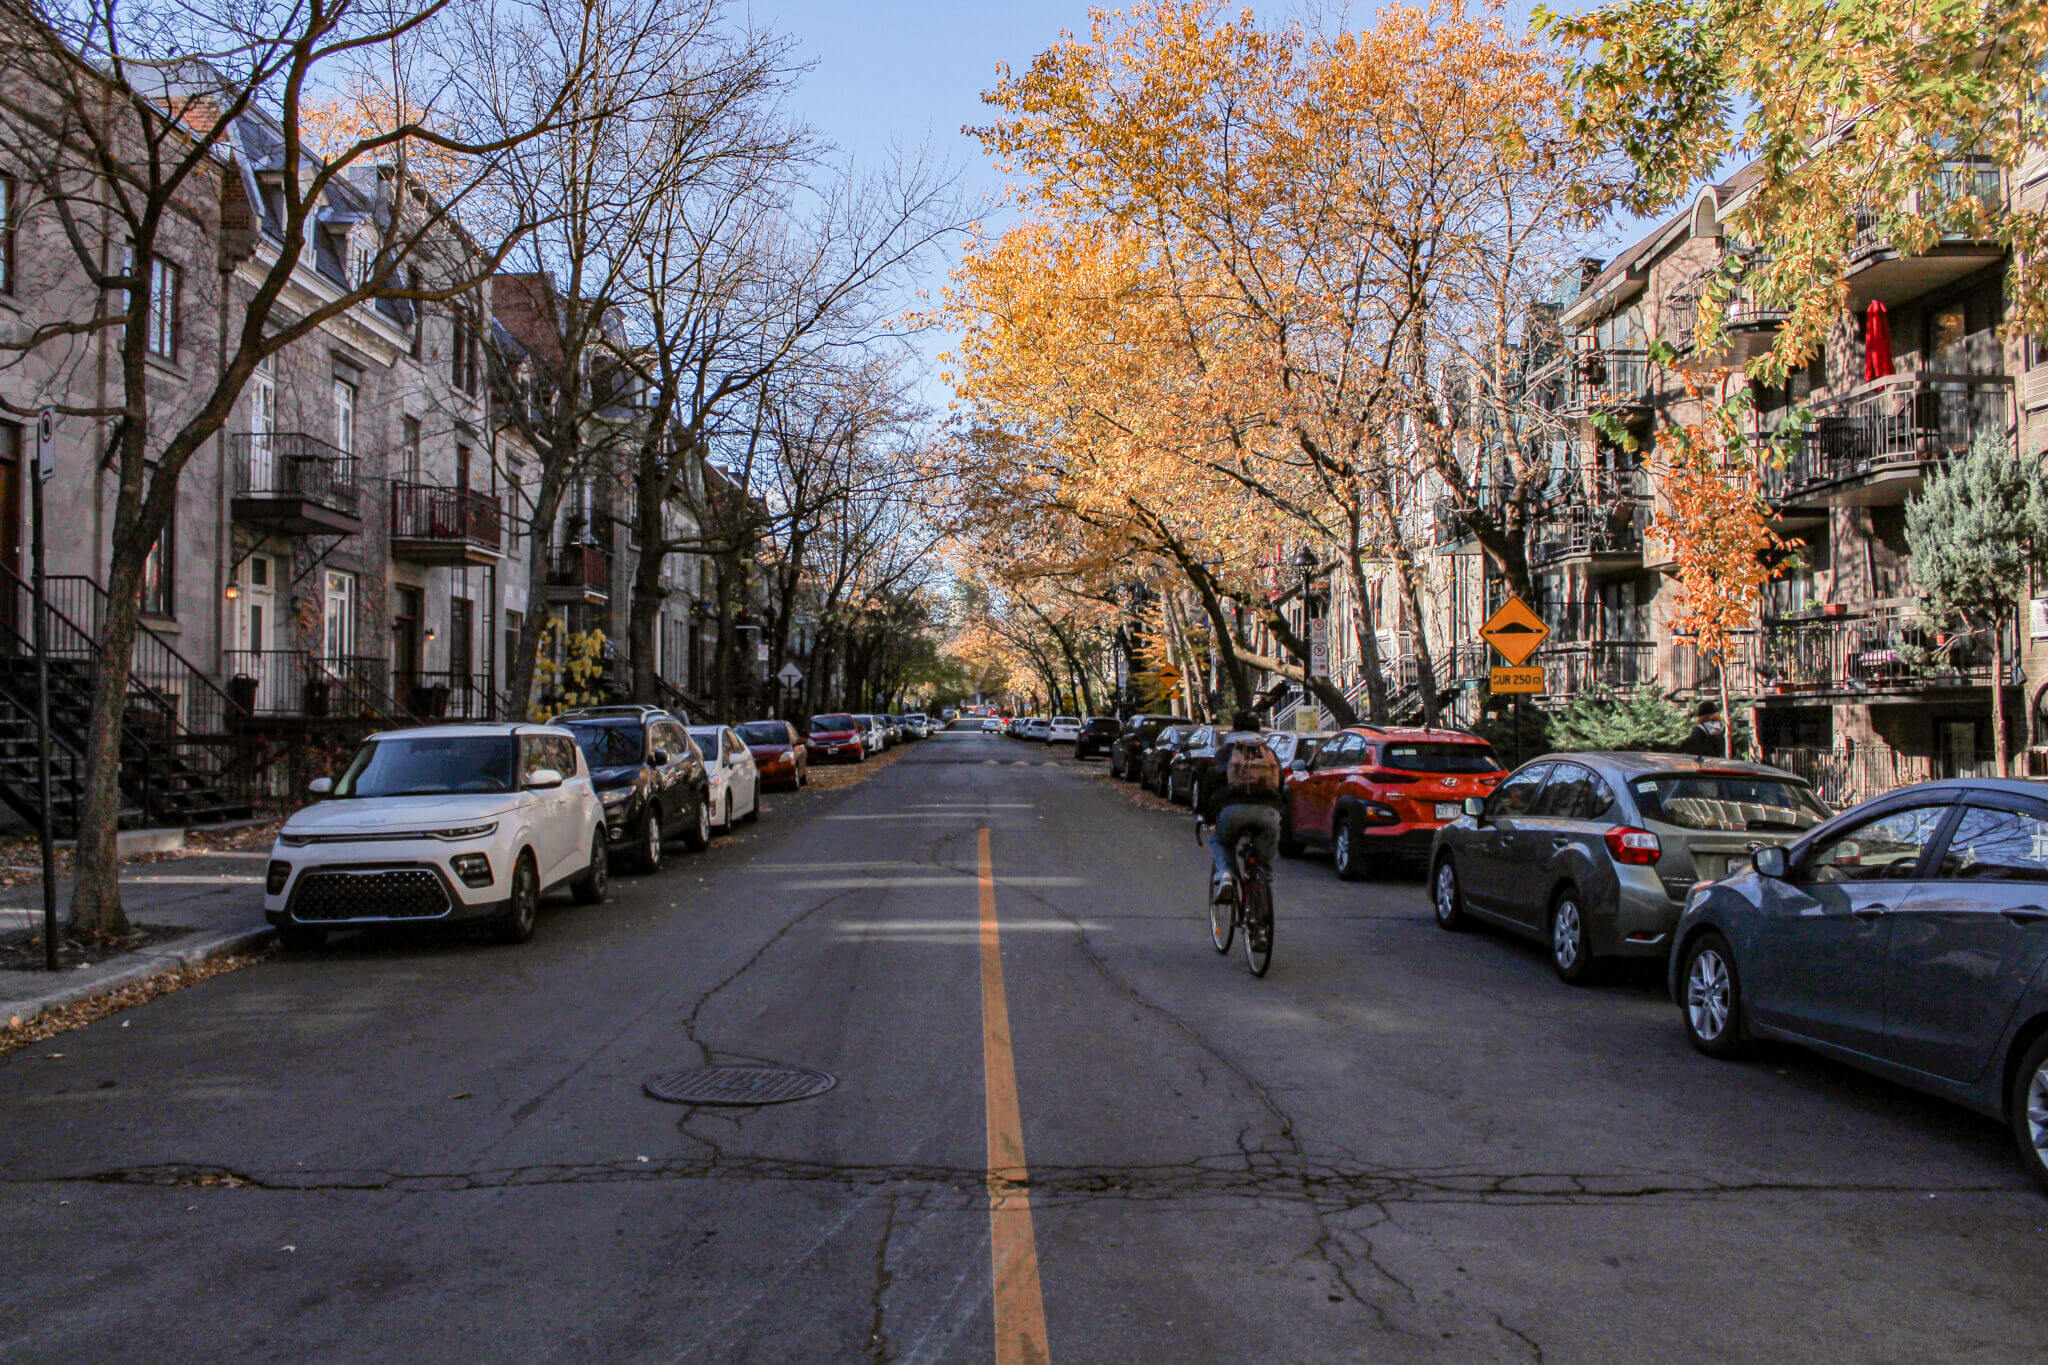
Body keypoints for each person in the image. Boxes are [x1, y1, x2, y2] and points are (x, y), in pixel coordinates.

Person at [1198, 711, 1285, 904]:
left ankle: (1226, 874)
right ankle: (1262, 897)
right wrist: (1280, 810)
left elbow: (1210, 780)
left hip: (1232, 810)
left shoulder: (1227, 751)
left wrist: (1204, 814)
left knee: (1220, 841)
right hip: (1268, 812)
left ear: (1234, 728)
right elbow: (1281, 783)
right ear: (1258, 729)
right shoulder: (1268, 752)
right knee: (1263, 864)